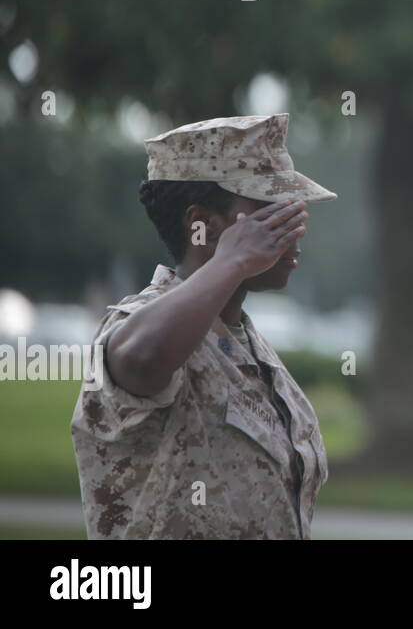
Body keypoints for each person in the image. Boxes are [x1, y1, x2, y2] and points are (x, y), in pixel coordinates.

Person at [71, 113, 335, 539]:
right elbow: (140, 358)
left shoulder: (249, 346)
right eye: (270, 211)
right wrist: (231, 262)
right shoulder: (143, 323)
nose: (294, 228)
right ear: (203, 226)